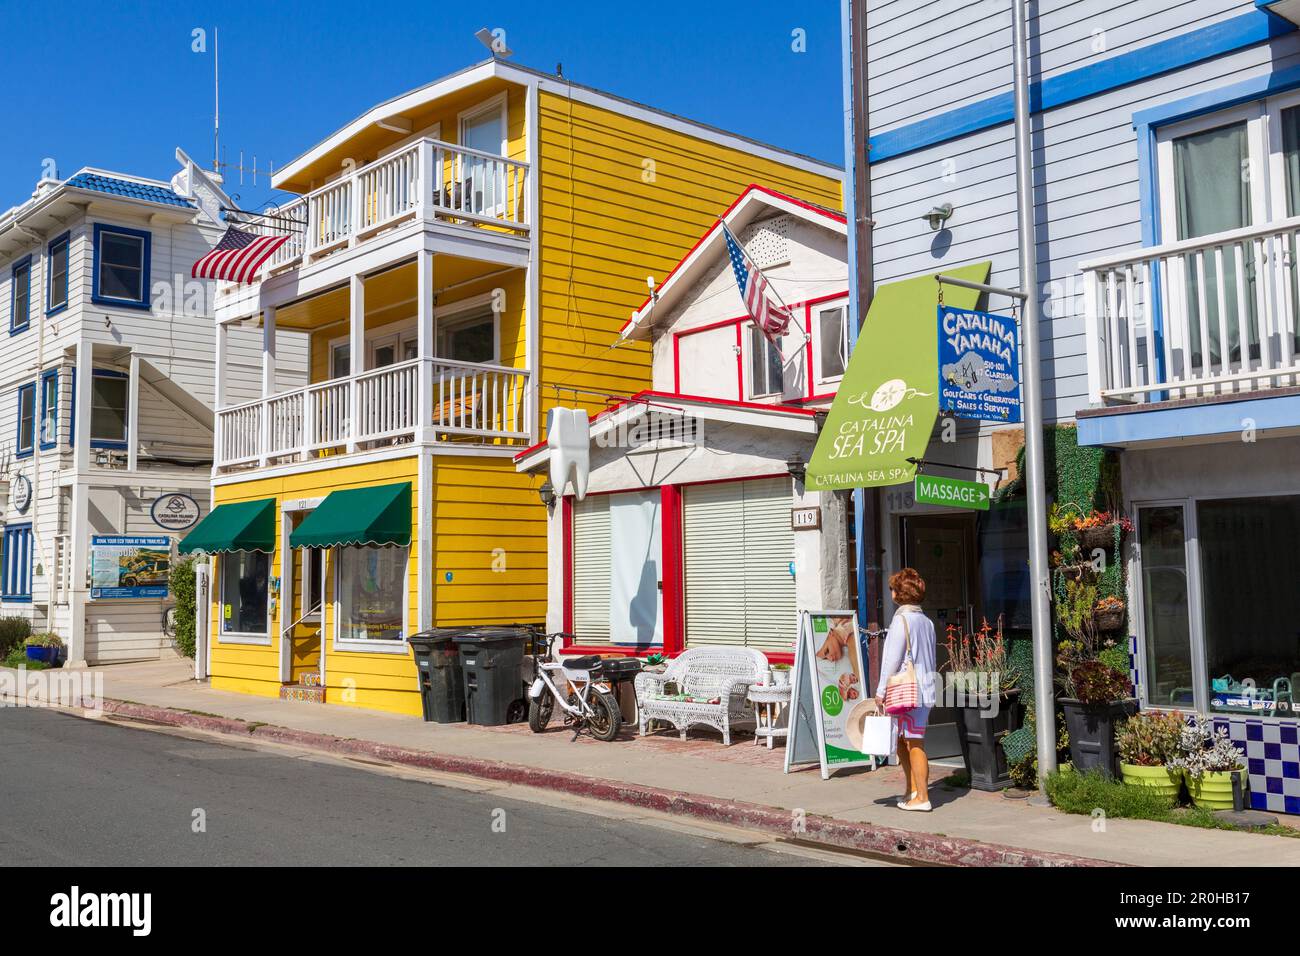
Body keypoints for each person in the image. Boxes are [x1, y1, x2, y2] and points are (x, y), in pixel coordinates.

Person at [874, 567, 937, 811]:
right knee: (906, 740)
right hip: (924, 687)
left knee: (913, 742)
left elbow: (891, 659)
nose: (890, 592)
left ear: (899, 593)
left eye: (893, 588)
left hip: (907, 690)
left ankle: (922, 796)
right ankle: (912, 790)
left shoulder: (901, 621)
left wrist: (880, 691)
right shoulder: (926, 622)